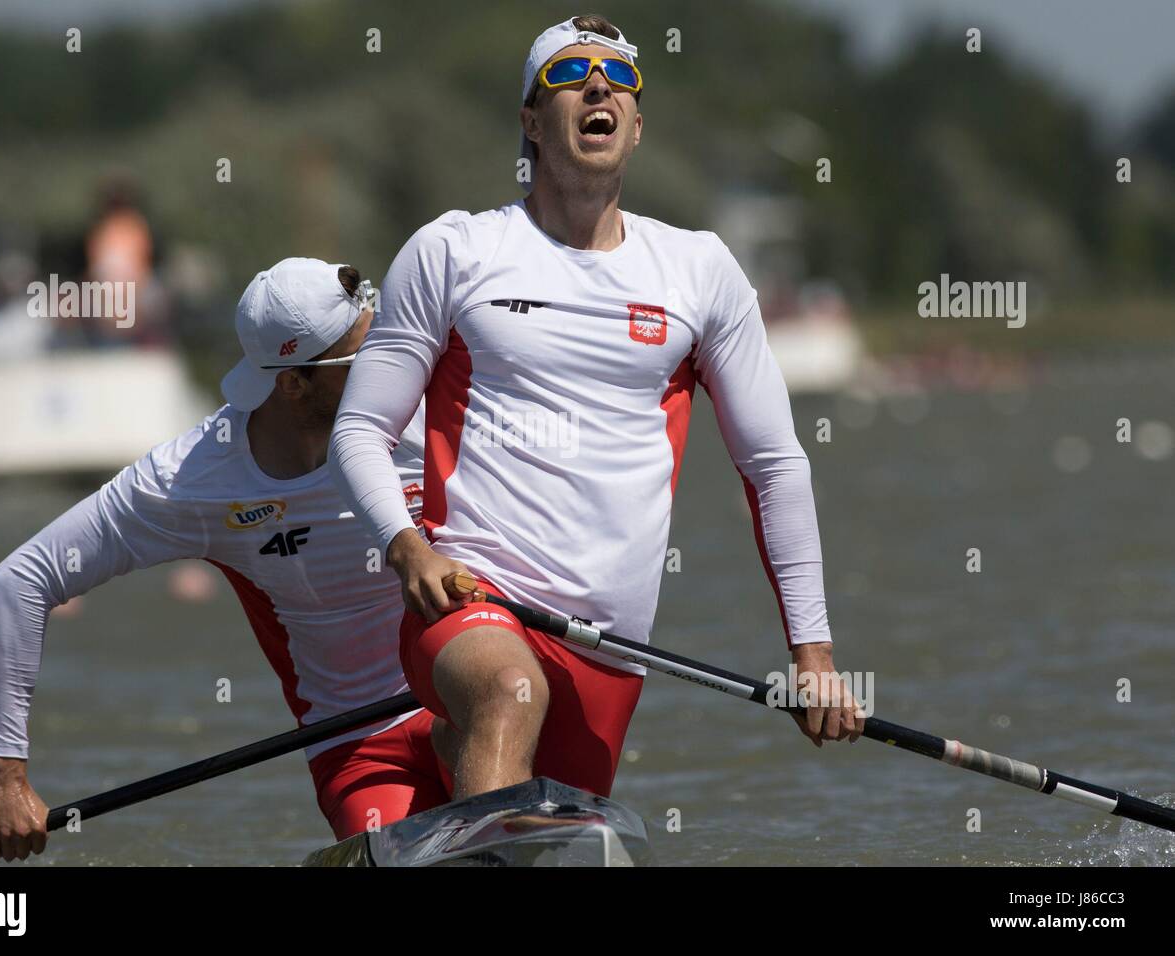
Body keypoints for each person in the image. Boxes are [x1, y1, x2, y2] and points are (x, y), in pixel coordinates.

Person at [328, 15, 864, 803]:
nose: (598, 85)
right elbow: (359, 429)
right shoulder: (455, 252)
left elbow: (774, 465)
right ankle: (468, 747)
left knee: (545, 799)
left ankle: (444, 754)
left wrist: (812, 652)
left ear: (637, 127)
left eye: (617, 79)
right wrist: (407, 550)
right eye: (569, 75)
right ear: (530, 123)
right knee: (510, 696)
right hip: (471, 598)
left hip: (608, 650)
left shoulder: (700, 271)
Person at [0, 258, 448, 861]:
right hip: (356, 742)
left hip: (466, 694)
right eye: (362, 359)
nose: (391, 368)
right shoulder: (197, 479)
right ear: (292, 383)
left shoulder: (431, 408)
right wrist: (5, 777)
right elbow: (17, 582)